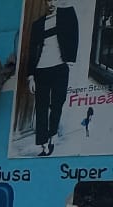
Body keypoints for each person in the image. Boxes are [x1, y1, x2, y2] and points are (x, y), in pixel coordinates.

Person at [28, 0, 78, 156]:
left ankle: (53, 133)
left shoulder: (67, 15)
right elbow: (32, 50)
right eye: (49, 0)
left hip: (60, 68)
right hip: (41, 70)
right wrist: (30, 76)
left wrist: (70, 61)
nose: (52, 2)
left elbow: (74, 35)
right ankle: (43, 144)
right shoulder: (37, 24)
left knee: (57, 103)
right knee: (41, 106)